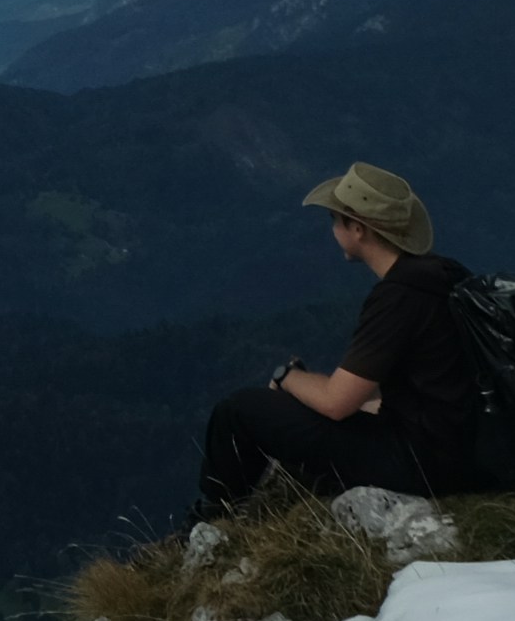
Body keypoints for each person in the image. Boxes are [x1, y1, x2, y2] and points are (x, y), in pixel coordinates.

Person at [193, 162, 482, 519]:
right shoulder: (445, 276)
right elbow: (413, 396)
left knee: (237, 412)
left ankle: (209, 522)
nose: (332, 229)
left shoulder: (398, 297)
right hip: (464, 450)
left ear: (357, 229)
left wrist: (287, 377)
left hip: (425, 463)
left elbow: (336, 403)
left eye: (335, 220)